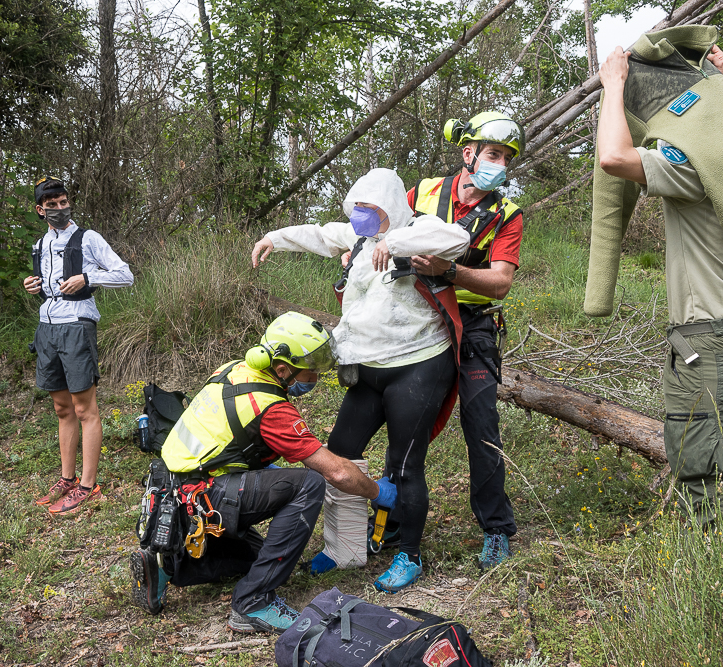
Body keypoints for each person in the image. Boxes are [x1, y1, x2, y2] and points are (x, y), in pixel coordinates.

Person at [590, 28, 723, 526]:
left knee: (710, 495)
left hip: (713, 348)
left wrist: (614, 86)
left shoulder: (695, 170)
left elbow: (613, 158)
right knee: (722, 480)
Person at [251, 168, 470, 593]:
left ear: (391, 206)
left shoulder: (419, 228)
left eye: (371, 209)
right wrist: (273, 238)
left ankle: (409, 553)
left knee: (405, 465)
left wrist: (395, 243)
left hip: (417, 363)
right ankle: (344, 547)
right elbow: (317, 234)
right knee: (341, 455)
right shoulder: (359, 239)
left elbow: (455, 240)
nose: (363, 217)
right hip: (366, 369)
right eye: (358, 210)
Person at [130, 312, 397, 633]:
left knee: (261, 559)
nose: (315, 377)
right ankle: (253, 602)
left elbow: (227, 436)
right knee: (309, 484)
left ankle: (168, 564)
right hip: (204, 495)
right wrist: (377, 491)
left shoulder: (233, 369)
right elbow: (337, 473)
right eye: (310, 370)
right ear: (283, 369)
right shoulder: (273, 410)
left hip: (175, 489)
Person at [407, 111, 526, 567]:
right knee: (408, 422)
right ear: (468, 153)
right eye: (493, 153)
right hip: (420, 320)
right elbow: (382, 227)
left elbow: (499, 283)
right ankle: (394, 525)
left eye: (506, 157)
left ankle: (497, 529)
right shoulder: (423, 192)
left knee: (481, 424)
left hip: (474, 326)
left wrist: (450, 271)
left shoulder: (506, 214)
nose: (499, 163)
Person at [24, 176, 134, 515]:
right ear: (40, 210)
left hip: (77, 324)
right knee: (62, 408)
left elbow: (125, 274)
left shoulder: (88, 238)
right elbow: (46, 286)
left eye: (63, 201)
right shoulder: (40, 245)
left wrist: (88, 278)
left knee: (85, 408)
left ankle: (89, 486)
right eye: (52, 204)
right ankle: (67, 479)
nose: (60, 208)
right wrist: (33, 285)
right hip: (47, 326)